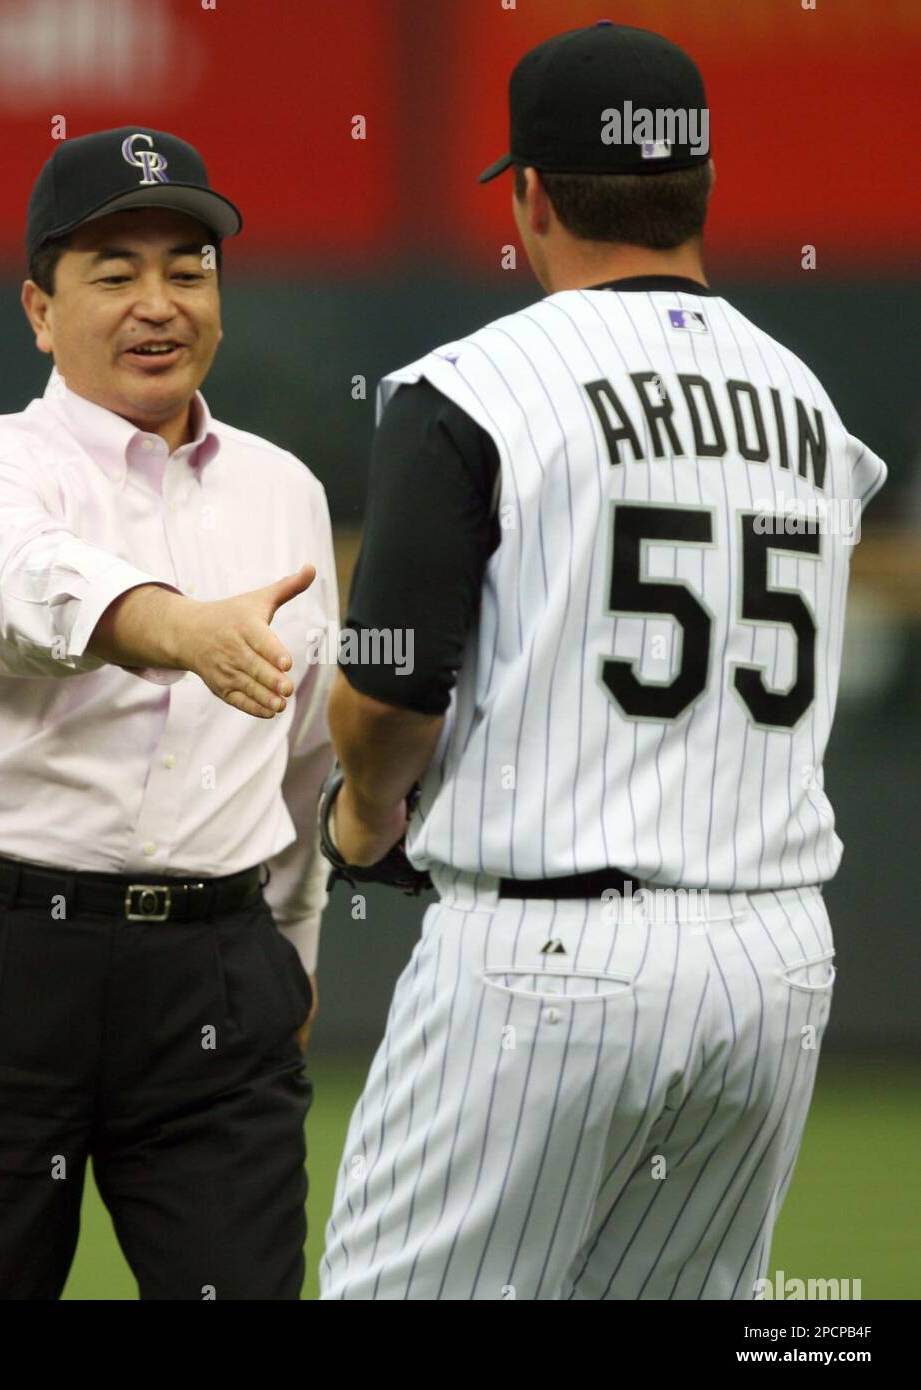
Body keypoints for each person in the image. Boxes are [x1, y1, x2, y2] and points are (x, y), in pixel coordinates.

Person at [319, 23, 886, 1300]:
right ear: (701, 188)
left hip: (548, 956)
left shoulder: (469, 389)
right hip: (775, 961)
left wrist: (361, 820)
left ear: (529, 192)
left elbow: (393, 694)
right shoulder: (810, 408)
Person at [0, 126, 338, 1300]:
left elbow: (304, 758)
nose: (158, 302)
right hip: (1, 963)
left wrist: (292, 952)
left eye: (188, 267)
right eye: (113, 271)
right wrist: (180, 629)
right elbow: (21, 590)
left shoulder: (286, 490)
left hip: (217, 979)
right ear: (40, 308)